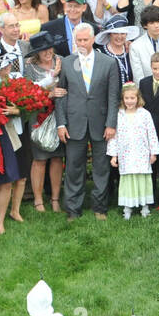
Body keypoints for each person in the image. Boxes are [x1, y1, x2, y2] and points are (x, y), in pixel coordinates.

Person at [55, 24, 120, 220]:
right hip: (74, 123)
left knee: (101, 168)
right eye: (79, 40)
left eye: (85, 40)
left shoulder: (108, 63)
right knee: (74, 167)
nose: (82, 43)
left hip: (101, 123)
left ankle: (99, 208)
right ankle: (73, 209)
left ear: (93, 39)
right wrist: (61, 124)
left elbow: (113, 97)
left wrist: (111, 124)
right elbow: (60, 95)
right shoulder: (66, 63)